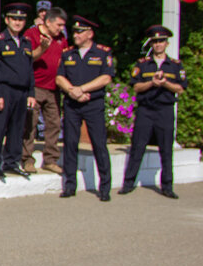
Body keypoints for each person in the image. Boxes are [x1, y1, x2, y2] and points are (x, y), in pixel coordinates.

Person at [120, 25, 185, 199]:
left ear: (167, 44)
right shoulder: (142, 64)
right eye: (155, 42)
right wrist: (152, 83)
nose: (158, 45)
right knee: (137, 147)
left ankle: (167, 186)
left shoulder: (175, 65)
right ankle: (128, 183)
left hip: (164, 110)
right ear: (151, 44)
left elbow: (180, 89)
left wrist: (165, 83)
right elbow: (136, 87)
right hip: (146, 110)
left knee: (166, 149)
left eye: (161, 41)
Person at [55, 15, 115, 201]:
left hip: (93, 104)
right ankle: (69, 185)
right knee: (70, 144)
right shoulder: (68, 53)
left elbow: (106, 78)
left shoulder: (103, 53)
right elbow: (59, 77)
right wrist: (72, 91)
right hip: (72, 104)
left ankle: (104, 187)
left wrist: (83, 89)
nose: (76, 34)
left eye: (80, 32)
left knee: (99, 144)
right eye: (74, 31)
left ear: (90, 33)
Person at [0, 3, 36, 181]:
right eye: (14, 18)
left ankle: (12, 162)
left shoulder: (26, 42)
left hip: (22, 92)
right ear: (6, 20)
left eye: (21, 19)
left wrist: (31, 93)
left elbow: (29, 69)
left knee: (17, 128)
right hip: (4, 90)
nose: (17, 22)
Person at [22, 7, 68, 174]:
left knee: (54, 124)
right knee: (30, 124)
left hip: (53, 87)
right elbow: (27, 58)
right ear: (48, 22)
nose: (61, 28)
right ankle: (27, 158)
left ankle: (51, 159)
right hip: (35, 86)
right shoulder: (32, 34)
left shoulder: (61, 38)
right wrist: (42, 47)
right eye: (59, 25)